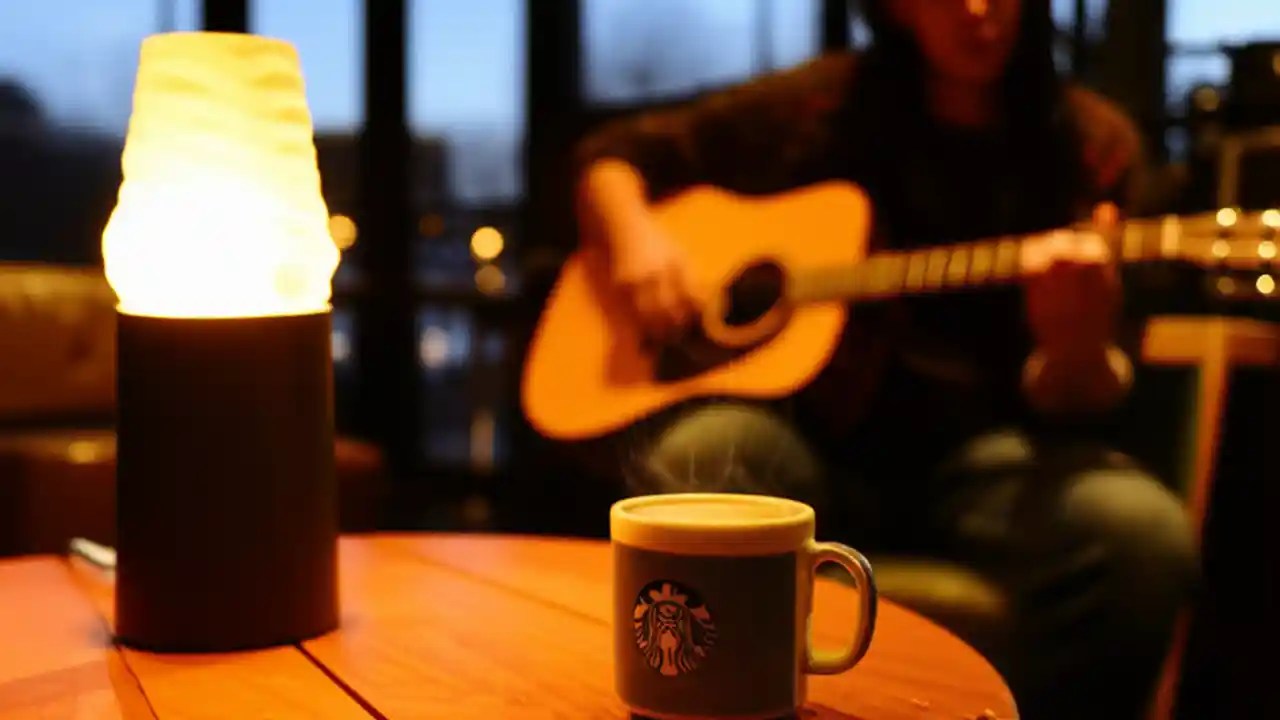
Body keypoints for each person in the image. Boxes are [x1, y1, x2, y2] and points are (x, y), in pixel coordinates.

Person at [569, 1, 1199, 718]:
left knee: (1143, 537)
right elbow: (613, 157)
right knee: (703, 463)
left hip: (992, 460)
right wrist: (638, 246)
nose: (976, 8)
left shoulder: (1094, 149)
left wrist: (1074, 343)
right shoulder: (822, 106)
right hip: (798, 441)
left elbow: (1081, 399)